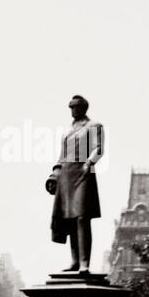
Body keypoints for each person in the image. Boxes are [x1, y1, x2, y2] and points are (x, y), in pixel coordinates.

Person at [46, 94, 104, 274]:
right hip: (66, 174)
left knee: (82, 217)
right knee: (69, 219)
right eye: (71, 107)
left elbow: (99, 148)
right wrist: (54, 173)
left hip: (84, 171)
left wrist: (89, 162)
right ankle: (74, 261)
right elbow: (61, 155)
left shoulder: (94, 126)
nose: (73, 110)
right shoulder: (66, 130)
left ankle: (85, 263)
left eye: (76, 107)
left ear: (83, 108)